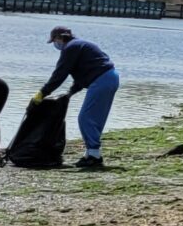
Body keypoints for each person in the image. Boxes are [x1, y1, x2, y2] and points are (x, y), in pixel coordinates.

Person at [36, 26, 120, 171]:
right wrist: (70, 93)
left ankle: (94, 156)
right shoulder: (80, 45)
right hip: (110, 77)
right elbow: (83, 74)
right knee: (95, 119)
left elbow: (60, 74)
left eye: (55, 40)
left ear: (60, 38)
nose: (55, 44)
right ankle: (90, 154)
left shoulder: (70, 48)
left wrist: (42, 93)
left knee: (85, 118)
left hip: (101, 80)